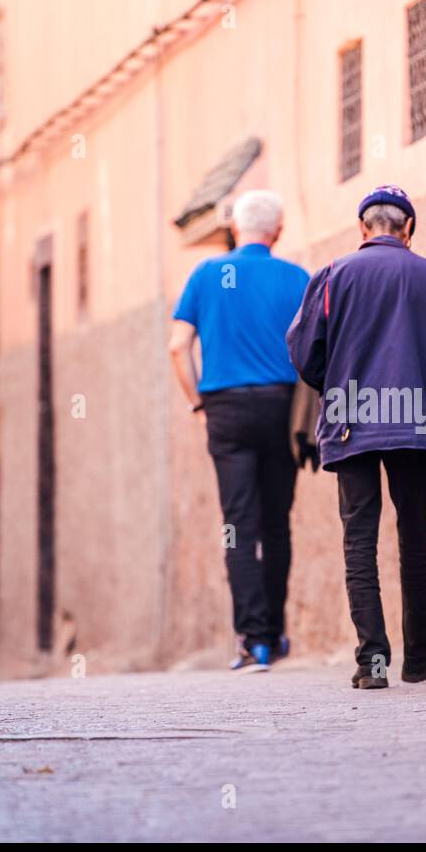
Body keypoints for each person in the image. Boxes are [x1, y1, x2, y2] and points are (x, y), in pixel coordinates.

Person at [287, 185, 426, 690]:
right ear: (408, 229)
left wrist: (340, 383)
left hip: (351, 416)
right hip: (416, 419)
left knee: (359, 540)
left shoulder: (332, 276)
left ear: (363, 229)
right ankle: (419, 654)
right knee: (416, 535)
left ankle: (371, 660)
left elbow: (305, 354)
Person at [169, 190, 310, 673]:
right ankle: (273, 632)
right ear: (278, 231)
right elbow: (316, 351)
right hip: (282, 406)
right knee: (276, 523)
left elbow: (177, 345)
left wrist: (197, 402)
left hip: (224, 408)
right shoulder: (297, 278)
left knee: (237, 525)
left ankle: (252, 642)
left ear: (234, 229)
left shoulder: (207, 275)